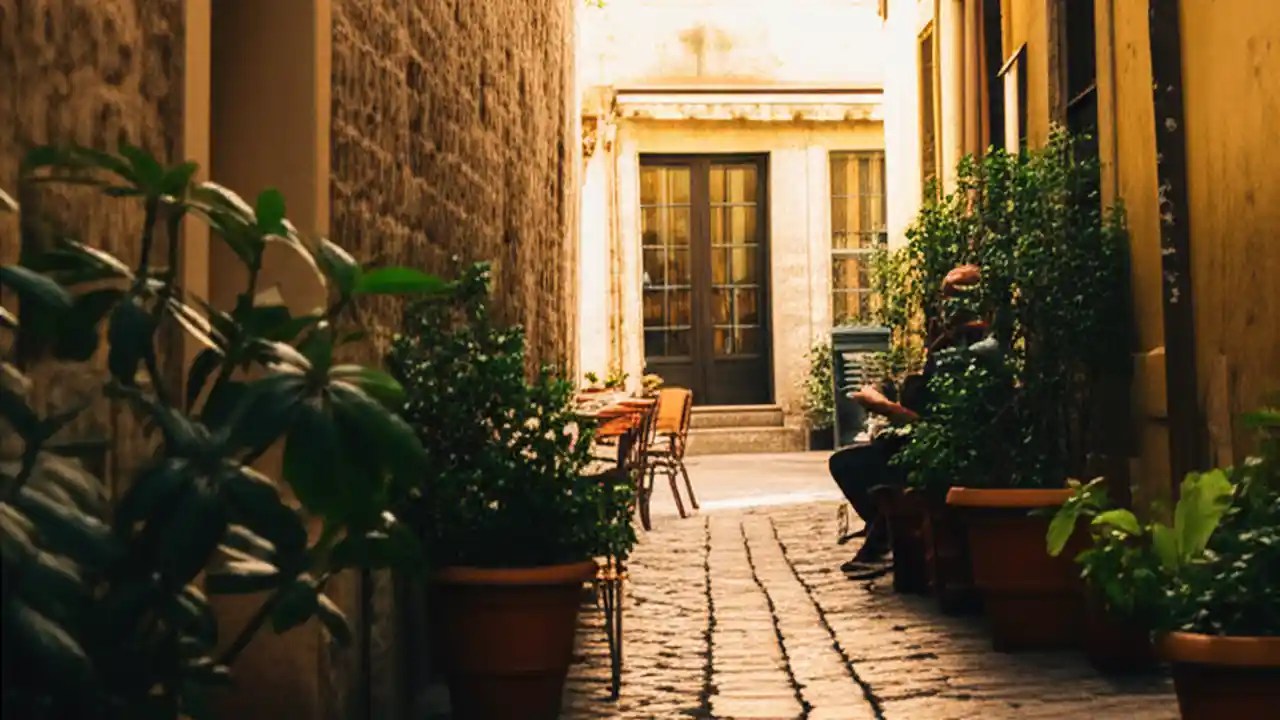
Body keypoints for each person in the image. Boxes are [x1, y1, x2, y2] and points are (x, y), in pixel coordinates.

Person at [829, 264, 987, 579]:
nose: (945, 308)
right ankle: (885, 533)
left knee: (859, 466)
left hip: (946, 453)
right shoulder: (947, 344)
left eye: (952, 298)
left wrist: (885, 407)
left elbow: (937, 426)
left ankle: (890, 538)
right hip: (927, 444)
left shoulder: (971, 352)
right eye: (944, 299)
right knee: (849, 461)